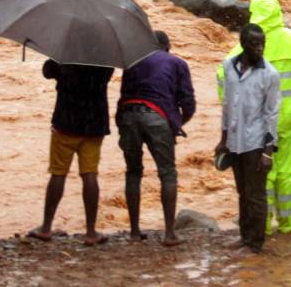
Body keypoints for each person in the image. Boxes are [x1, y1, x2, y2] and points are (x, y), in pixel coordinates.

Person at [224, 0, 291, 235]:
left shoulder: (243, 46)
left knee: (261, 174)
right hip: (287, 118)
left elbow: (224, 85)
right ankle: (288, 224)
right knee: (286, 171)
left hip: (256, 123)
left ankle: (264, 226)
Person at [118, 31, 196, 246]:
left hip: (128, 114)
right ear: (167, 46)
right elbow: (188, 102)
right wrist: (177, 123)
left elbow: (123, 93)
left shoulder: (131, 61)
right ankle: (169, 233)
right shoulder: (177, 63)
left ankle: (134, 232)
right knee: (167, 173)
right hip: (157, 117)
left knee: (133, 172)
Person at [28, 59, 114, 246]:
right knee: (89, 173)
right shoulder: (107, 59)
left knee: (58, 173)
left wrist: (57, 60)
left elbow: (47, 71)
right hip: (94, 123)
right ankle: (91, 232)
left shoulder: (66, 56)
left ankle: (46, 228)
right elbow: (105, 79)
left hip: (66, 120)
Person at [216, 24, 280, 254]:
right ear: (243, 44)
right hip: (235, 141)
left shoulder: (269, 74)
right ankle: (245, 237)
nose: (260, 48)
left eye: (263, 43)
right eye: (255, 44)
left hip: (255, 143)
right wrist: (223, 139)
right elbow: (227, 105)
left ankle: (255, 243)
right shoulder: (229, 67)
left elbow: (272, 114)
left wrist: (267, 151)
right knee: (242, 192)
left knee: (256, 195)